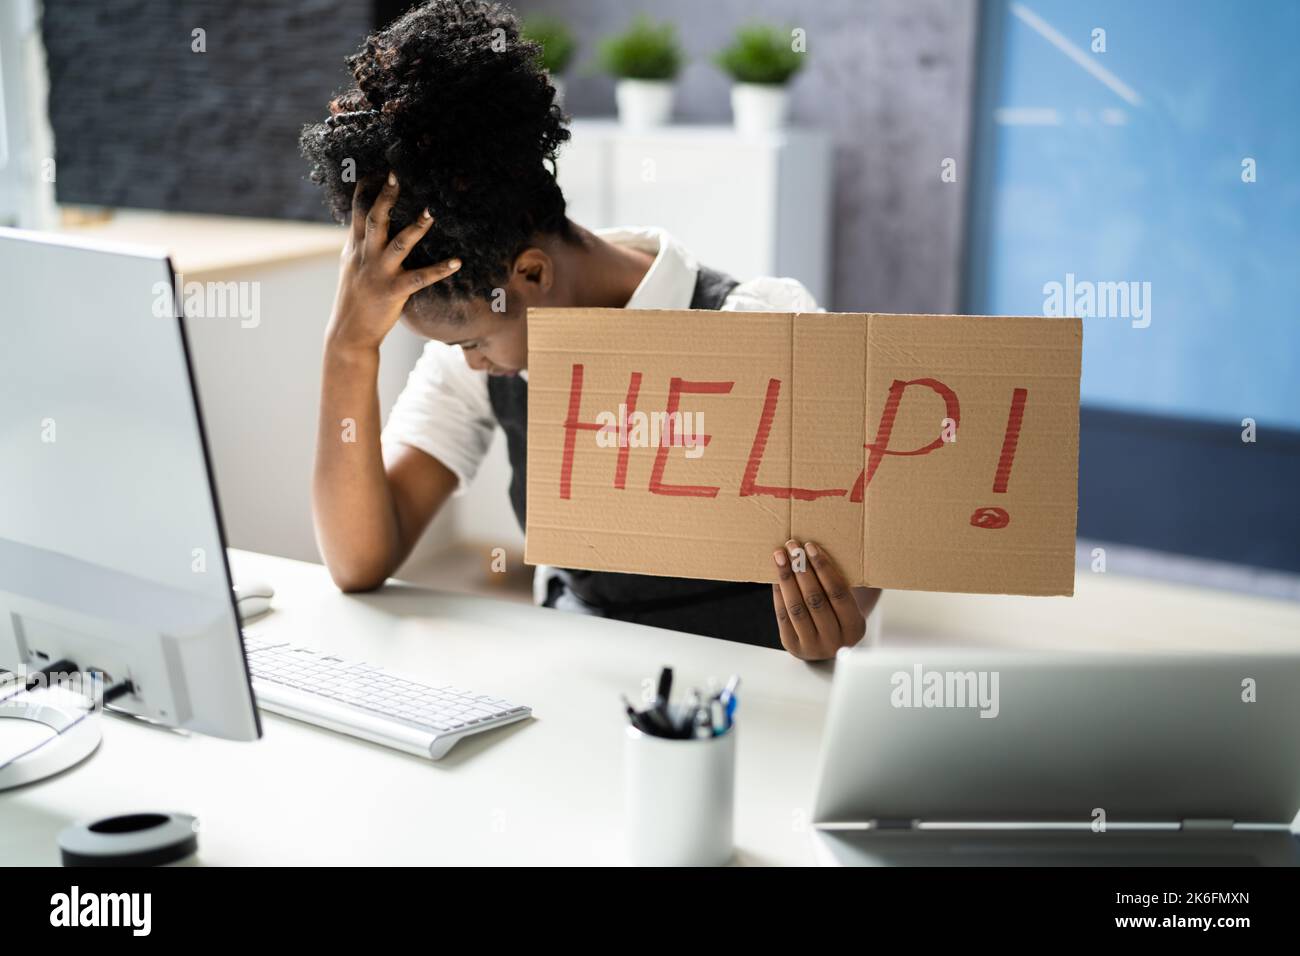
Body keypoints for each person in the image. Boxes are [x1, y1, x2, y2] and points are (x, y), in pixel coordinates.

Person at [300, 0, 880, 659]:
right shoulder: (484, 353)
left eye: (473, 343)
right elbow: (358, 560)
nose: (472, 363)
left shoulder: (767, 325)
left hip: (744, 690)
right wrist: (348, 348)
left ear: (532, 273)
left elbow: (863, 568)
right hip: (577, 680)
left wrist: (839, 617)